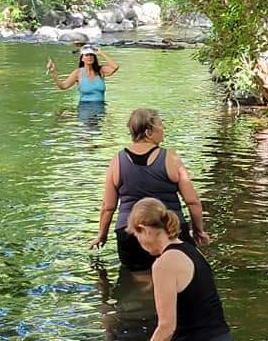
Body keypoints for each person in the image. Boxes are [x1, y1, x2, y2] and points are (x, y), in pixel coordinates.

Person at [124, 197, 234, 341]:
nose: (139, 243)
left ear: (144, 229)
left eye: (137, 235)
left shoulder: (164, 264)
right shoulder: (191, 249)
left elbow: (166, 327)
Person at [88, 108, 209, 271]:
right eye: (160, 125)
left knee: (137, 280)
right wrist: (198, 230)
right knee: (181, 278)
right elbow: (193, 202)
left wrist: (101, 235)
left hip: (130, 232)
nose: (163, 129)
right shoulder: (171, 158)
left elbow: (108, 207)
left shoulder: (117, 161)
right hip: (170, 230)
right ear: (148, 132)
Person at [46, 44, 119, 102]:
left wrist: (101, 54)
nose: (89, 57)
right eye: (86, 55)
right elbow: (63, 86)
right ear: (82, 58)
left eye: (91, 55)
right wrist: (53, 72)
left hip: (100, 108)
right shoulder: (78, 73)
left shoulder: (100, 70)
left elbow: (115, 67)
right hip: (84, 108)